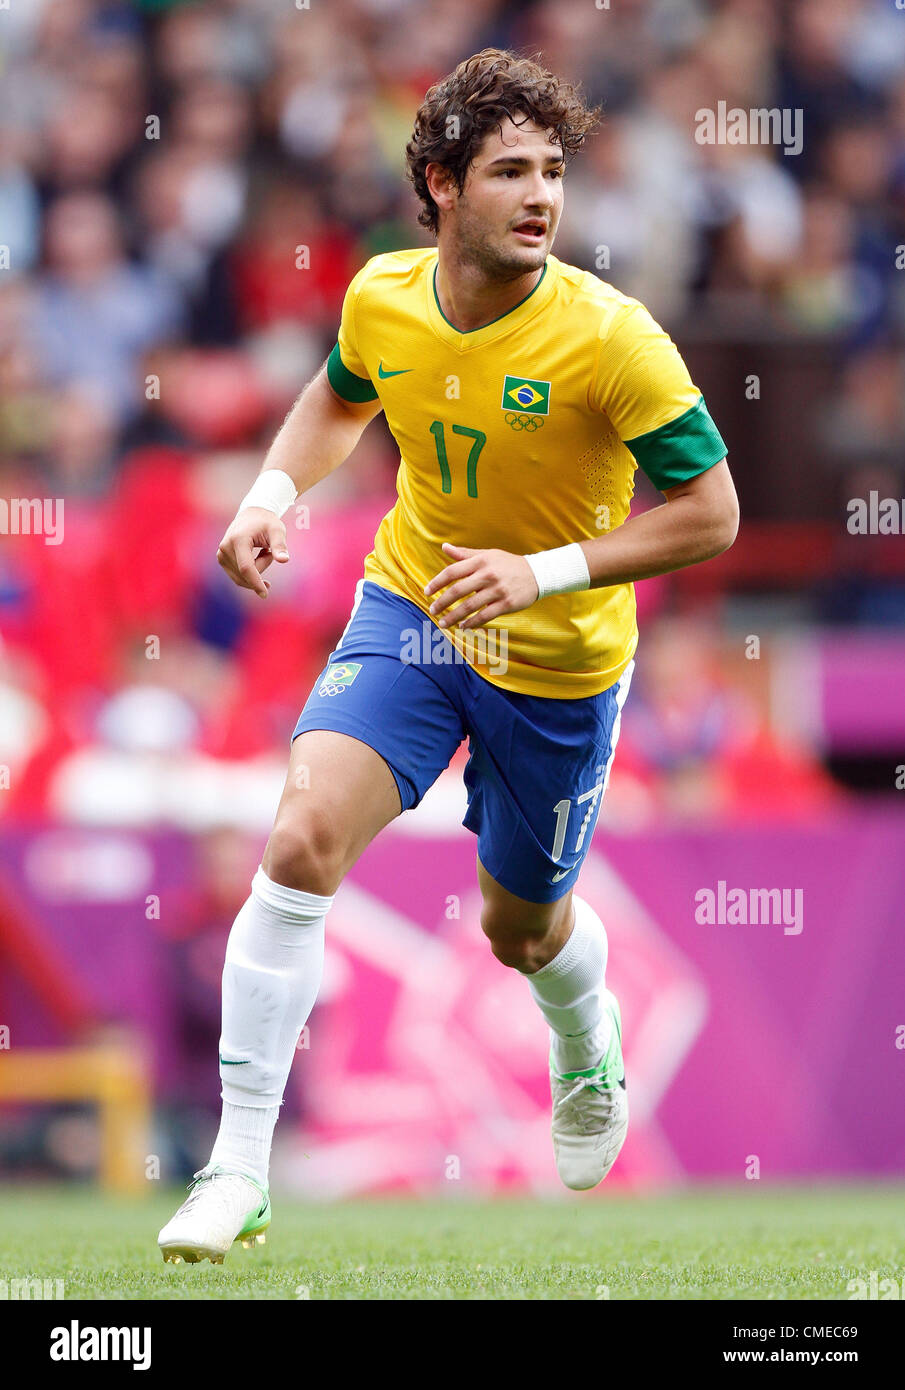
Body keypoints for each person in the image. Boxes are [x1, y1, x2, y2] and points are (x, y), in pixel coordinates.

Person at [158, 48, 738, 1265]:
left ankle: (584, 1037)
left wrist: (545, 572)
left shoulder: (612, 340)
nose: (541, 197)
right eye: (509, 171)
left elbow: (712, 515)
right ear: (438, 184)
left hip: (560, 658)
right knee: (300, 838)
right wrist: (272, 490)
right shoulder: (382, 295)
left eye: (553, 172)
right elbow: (337, 397)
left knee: (517, 929)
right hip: (413, 611)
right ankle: (237, 1171)